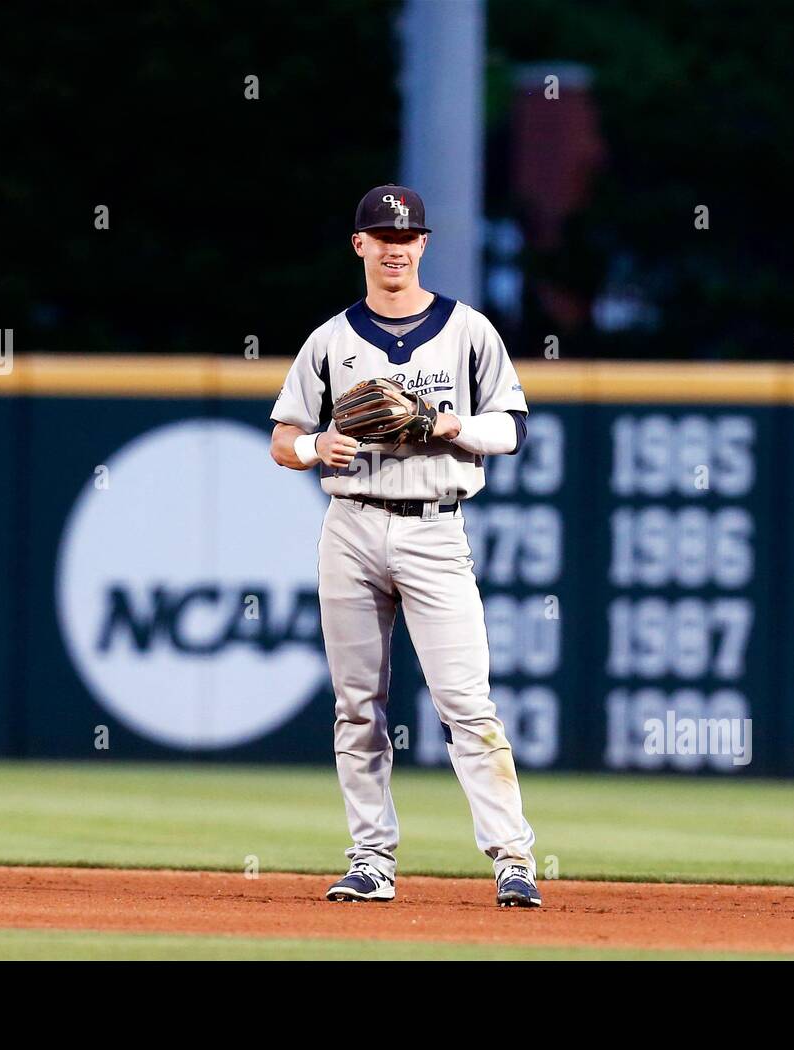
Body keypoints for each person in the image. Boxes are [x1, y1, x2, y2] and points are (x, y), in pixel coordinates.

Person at [269, 184, 540, 907]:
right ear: (359, 245)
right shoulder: (331, 340)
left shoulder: (468, 330)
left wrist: (450, 426)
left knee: (465, 702)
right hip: (352, 522)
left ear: (423, 245)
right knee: (358, 704)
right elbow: (281, 439)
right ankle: (370, 859)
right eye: (382, 237)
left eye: (408, 236)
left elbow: (512, 430)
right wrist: (313, 444)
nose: (396, 248)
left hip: (433, 524)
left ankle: (513, 860)